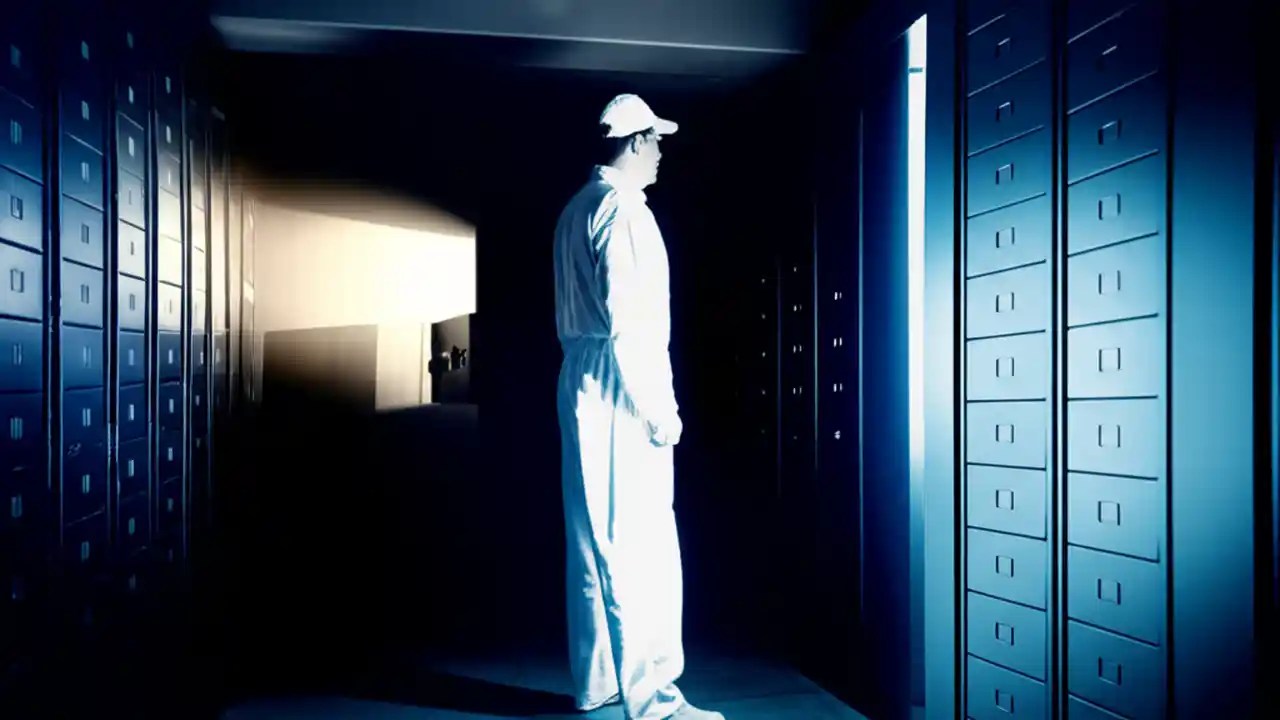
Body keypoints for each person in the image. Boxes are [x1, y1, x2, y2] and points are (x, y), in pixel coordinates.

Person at [553, 94, 724, 720]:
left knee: (594, 536)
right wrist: (660, 410)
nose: (659, 154)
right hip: (621, 383)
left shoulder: (577, 209)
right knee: (640, 543)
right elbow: (632, 327)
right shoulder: (624, 213)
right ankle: (653, 702)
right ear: (632, 142)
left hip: (581, 379)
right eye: (654, 141)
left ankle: (599, 680)